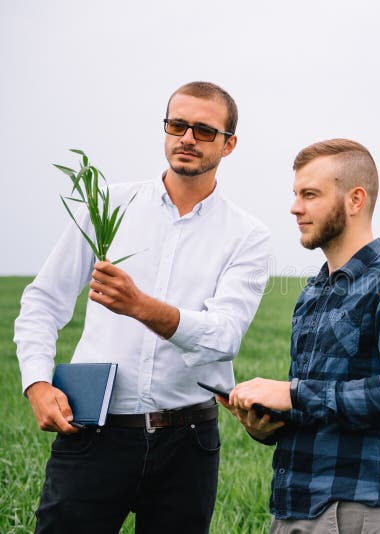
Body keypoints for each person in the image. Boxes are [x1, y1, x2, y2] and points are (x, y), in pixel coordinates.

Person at [14, 81, 271, 533]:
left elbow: (223, 335)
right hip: (92, 434)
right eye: (177, 124)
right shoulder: (108, 204)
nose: (187, 137)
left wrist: (139, 306)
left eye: (204, 131)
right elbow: (43, 301)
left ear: (229, 145)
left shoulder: (248, 236)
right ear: (166, 129)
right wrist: (36, 382)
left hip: (188, 443)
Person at [219, 139, 380, 533]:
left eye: (310, 195)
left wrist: (291, 393)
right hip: (290, 508)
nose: (294, 207)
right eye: (295, 195)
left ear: (355, 200)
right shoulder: (313, 293)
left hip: (354, 511)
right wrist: (269, 424)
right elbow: (320, 405)